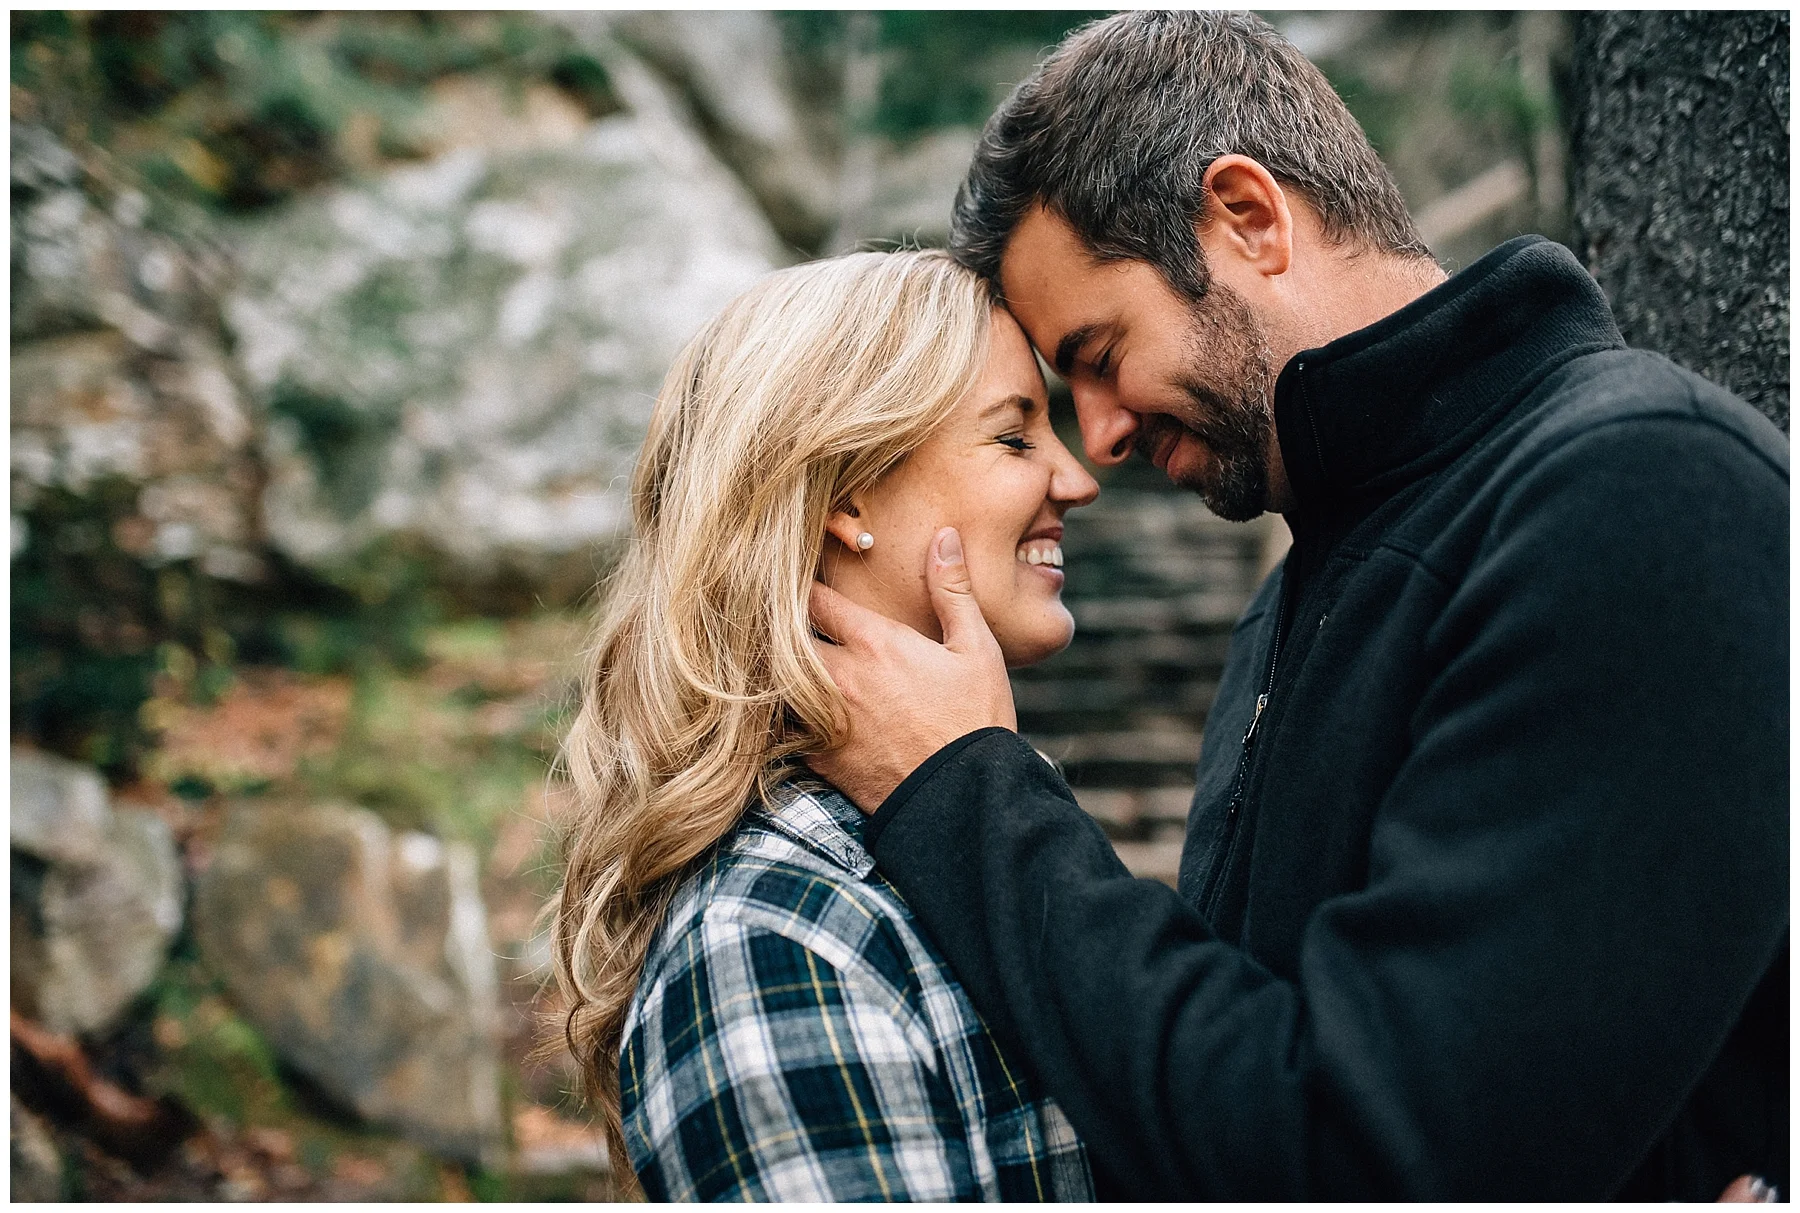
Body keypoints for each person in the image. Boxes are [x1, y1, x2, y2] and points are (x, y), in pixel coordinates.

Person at [807, 12, 1787, 1202]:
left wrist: (964, 786)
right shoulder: (1292, 602)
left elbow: (1371, 1153)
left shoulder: (1637, 495)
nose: (1099, 439)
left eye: (1101, 351)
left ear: (1249, 217)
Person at [547, 249, 1099, 1200]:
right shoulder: (771, 938)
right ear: (846, 496)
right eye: (1015, 437)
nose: (1077, 478)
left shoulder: (964, 848)